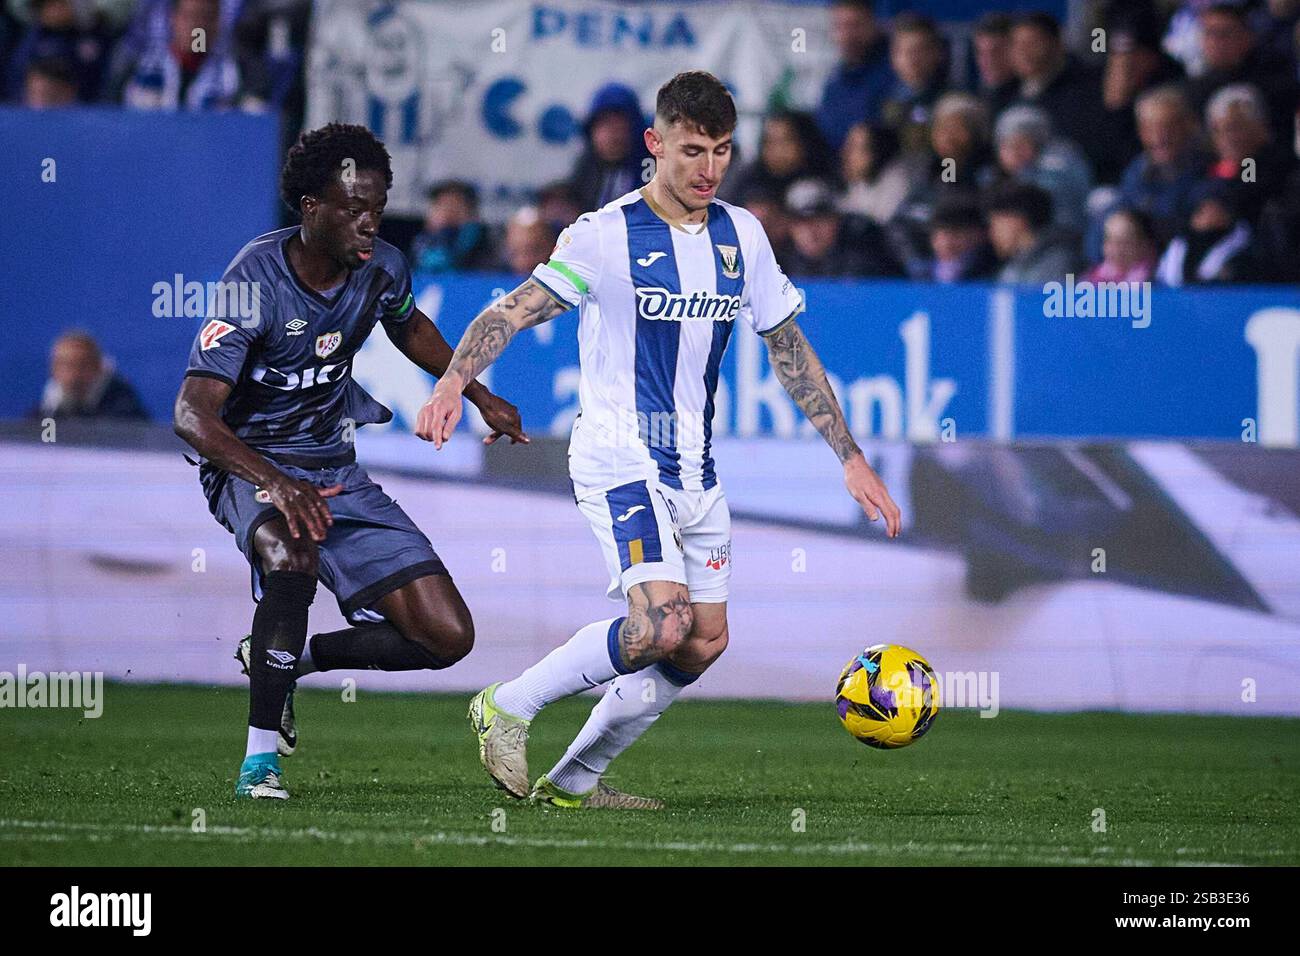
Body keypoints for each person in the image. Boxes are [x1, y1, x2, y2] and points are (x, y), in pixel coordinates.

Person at [419, 71, 901, 810]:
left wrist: (852, 457)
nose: (709, 168)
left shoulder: (743, 234)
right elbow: (514, 310)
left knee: (703, 639)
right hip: (619, 453)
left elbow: (788, 347)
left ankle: (576, 779)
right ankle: (506, 706)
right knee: (661, 622)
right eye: (692, 150)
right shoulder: (604, 234)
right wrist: (454, 383)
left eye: (722, 152)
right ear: (655, 144)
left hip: (696, 468)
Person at [172, 123, 527, 800]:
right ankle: (258, 764)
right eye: (354, 209)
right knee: (292, 556)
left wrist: (476, 392)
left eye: (378, 209)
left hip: (333, 465)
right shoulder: (255, 280)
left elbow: (410, 325)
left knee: (447, 636)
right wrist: (274, 482)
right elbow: (192, 415)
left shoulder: (383, 267)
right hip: (250, 465)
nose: (370, 224)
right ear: (311, 210)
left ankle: (287, 660)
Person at [815, 0, 893, 153]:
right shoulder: (835, 80)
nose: (847, 36)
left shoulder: (896, 72)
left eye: (855, 25)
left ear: (873, 24)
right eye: (839, 26)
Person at [566, 82, 650, 213]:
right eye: (604, 125)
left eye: (619, 126)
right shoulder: (588, 166)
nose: (612, 135)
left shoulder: (651, 165)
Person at [33, 330, 148, 420]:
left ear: (98, 367)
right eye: (65, 365)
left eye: (82, 365)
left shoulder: (125, 411)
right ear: (53, 369)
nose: (73, 375)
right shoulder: (44, 412)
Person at [985, 180, 1081, 284]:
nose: (992, 234)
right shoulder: (1011, 268)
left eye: (995, 225)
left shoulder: (1059, 264)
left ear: (1017, 221)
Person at [408, 180, 496, 274]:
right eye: (440, 206)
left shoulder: (484, 249)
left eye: (455, 207)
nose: (447, 214)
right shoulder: (419, 244)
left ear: (472, 214)